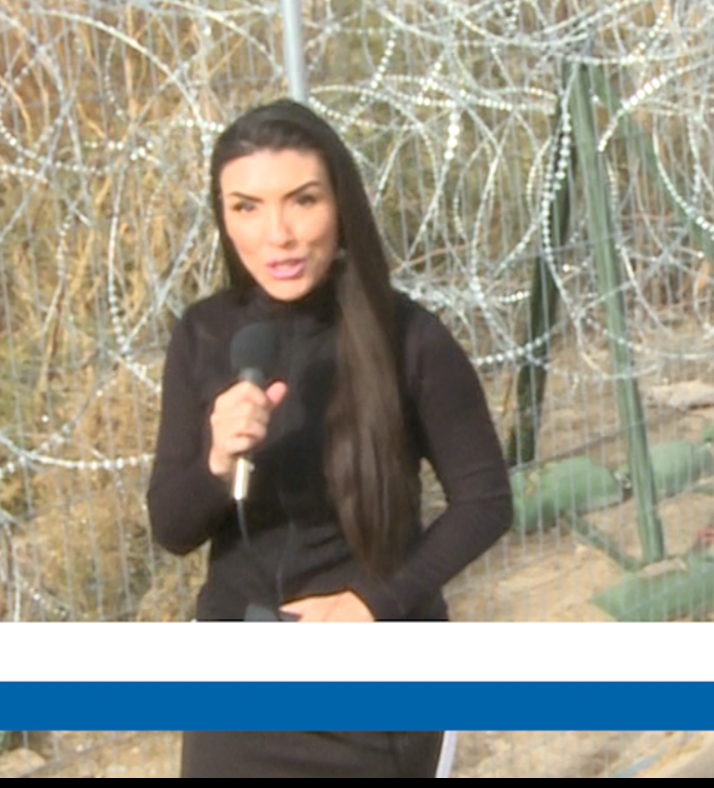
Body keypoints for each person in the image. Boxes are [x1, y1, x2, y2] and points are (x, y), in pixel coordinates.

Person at [146, 99, 513, 778]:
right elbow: (171, 526)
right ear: (224, 218)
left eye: (302, 200)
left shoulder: (410, 338)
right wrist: (218, 459)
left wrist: (372, 604)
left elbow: (485, 502)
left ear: (341, 204)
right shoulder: (204, 335)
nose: (277, 234)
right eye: (246, 207)